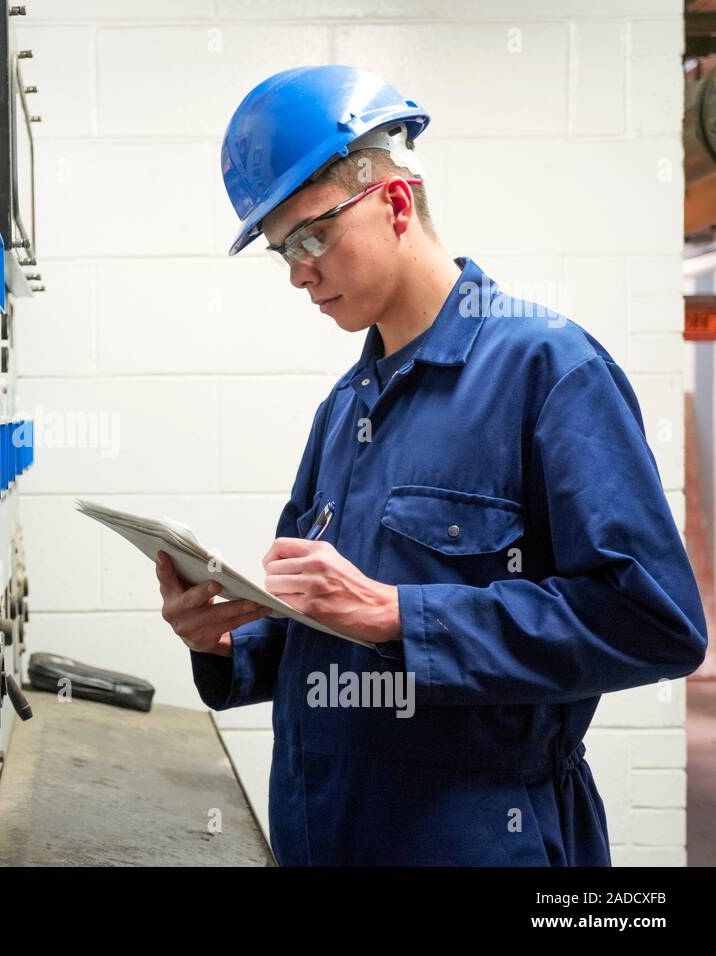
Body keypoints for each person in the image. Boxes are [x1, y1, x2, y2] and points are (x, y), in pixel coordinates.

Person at [156, 65, 707, 866]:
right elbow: (320, 630)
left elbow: (656, 624)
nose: (299, 273)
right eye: (282, 253)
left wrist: (403, 616)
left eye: (311, 237)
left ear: (396, 203)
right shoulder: (345, 409)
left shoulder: (548, 372)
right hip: (328, 832)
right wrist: (220, 640)